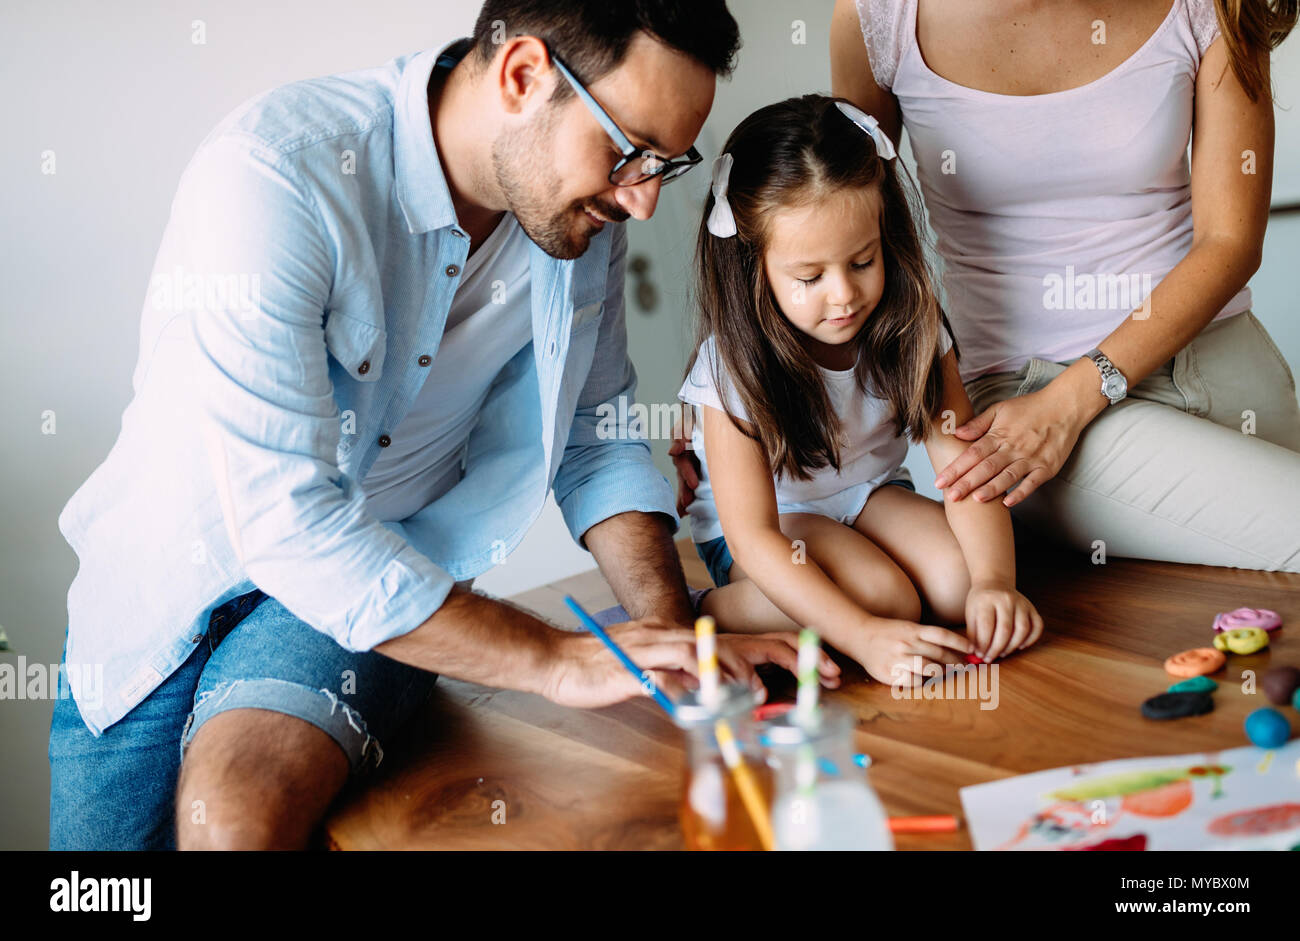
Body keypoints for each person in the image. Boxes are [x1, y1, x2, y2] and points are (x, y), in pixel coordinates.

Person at [49, 0, 838, 851]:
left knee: (235, 827)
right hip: (169, 594)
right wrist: (557, 659)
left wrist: (672, 637)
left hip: (377, 578)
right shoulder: (274, 175)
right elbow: (288, 523)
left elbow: (595, 434)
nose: (643, 201)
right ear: (523, 75)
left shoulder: (579, 215)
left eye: (664, 164)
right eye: (627, 150)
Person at [826, 0, 1300, 570]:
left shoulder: (1216, 7)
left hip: (1218, 360)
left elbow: (1230, 242)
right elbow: (841, 230)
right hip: (1025, 400)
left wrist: (1079, 396)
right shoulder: (879, 18)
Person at [677, 94, 1044, 686]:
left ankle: (872, 603)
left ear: (885, 235)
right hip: (768, 530)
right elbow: (755, 537)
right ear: (754, 265)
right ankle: (707, 614)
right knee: (884, 600)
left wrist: (995, 585)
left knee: (958, 585)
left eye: (863, 261)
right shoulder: (731, 367)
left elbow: (962, 468)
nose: (844, 295)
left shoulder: (912, 325)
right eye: (810, 277)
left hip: (869, 493)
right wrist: (864, 638)